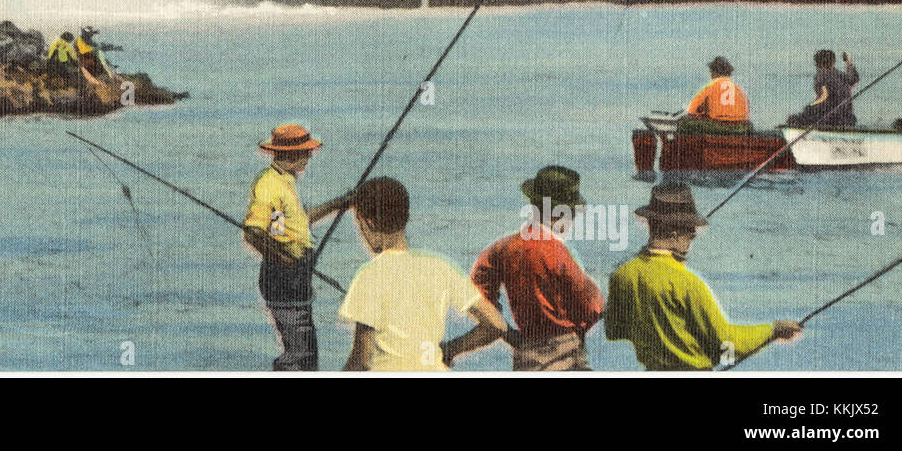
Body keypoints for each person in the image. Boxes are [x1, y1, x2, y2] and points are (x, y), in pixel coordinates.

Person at [604, 183, 802, 370]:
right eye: (690, 231)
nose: (693, 236)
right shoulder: (689, 283)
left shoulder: (621, 275)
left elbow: (614, 331)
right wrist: (773, 330)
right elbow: (729, 343)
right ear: (673, 235)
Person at [340, 177, 508, 371]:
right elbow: (496, 325)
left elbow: (362, 360)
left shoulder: (368, 275)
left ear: (368, 223)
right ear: (405, 217)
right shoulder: (441, 267)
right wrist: (450, 349)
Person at [471, 166, 605, 370]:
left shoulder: (502, 247)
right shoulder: (558, 254)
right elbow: (592, 307)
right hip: (566, 354)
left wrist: (505, 331)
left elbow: (477, 293)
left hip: (525, 352)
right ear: (564, 215)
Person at [242, 124, 352, 371]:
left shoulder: (282, 182)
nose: (310, 157)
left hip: (294, 278)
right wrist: (285, 261)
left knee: (304, 351)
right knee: (300, 354)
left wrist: (338, 204)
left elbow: (295, 223)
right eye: (306, 152)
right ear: (290, 155)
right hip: (284, 280)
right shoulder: (269, 185)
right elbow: (253, 232)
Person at [788, 50, 859, 129]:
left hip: (830, 118)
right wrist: (848, 63)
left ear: (817, 63)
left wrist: (810, 106)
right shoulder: (841, 75)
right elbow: (855, 79)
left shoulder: (821, 76)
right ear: (833, 62)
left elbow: (824, 96)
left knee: (796, 118)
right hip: (848, 118)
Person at [679, 56, 750, 134]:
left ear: (714, 72)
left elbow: (691, 111)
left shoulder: (710, 87)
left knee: (684, 121)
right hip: (740, 128)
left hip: (718, 127)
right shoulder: (740, 90)